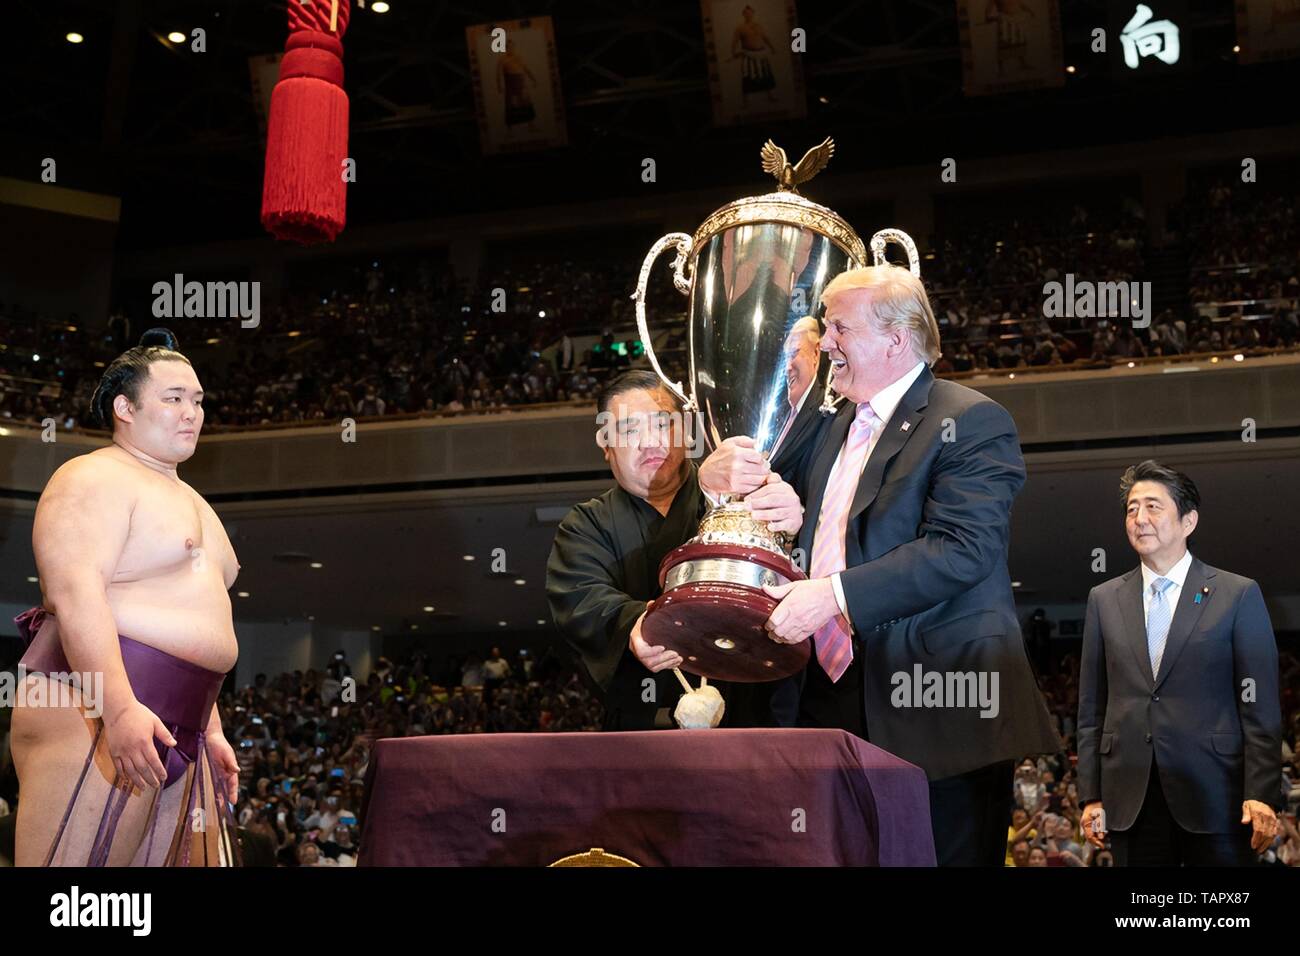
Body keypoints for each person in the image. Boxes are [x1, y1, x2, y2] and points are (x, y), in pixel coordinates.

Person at [704, 264, 1058, 865]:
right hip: (827, 697)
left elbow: (962, 549)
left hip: (938, 708)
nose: (826, 343)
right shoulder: (830, 425)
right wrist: (726, 484)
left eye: (839, 328)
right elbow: (825, 530)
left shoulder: (970, 419)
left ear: (896, 340)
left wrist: (832, 595)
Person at [10, 328, 242, 866]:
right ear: (125, 407)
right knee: (78, 906)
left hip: (186, 715)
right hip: (97, 703)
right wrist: (116, 707)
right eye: (174, 398)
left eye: (198, 400)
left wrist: (212, 728)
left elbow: (198, 617)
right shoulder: (92, 477)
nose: (192, 412)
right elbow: (74, 595)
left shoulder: (197, 503)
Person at [546, 370, 803, 729]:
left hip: (750, 716)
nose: (651, 442)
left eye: (663, 424)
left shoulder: (737, 497)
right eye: (630, 430)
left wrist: (791, 532)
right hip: (642, 726)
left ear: (684, 431)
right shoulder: (585, 525)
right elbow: (581, 599)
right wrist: (637, 624)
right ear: (606, 445)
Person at [1076, 460, 1282, 866]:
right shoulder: (1103, 599)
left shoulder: (1237, 594)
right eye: (1132, 509)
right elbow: (1091, 708)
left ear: (1188, 521)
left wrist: (1260, 791)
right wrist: (1091, 795)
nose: (1140, 518)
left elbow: (1260, 708)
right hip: (1130, 797)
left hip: (1218, 795)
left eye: (1153, 507)